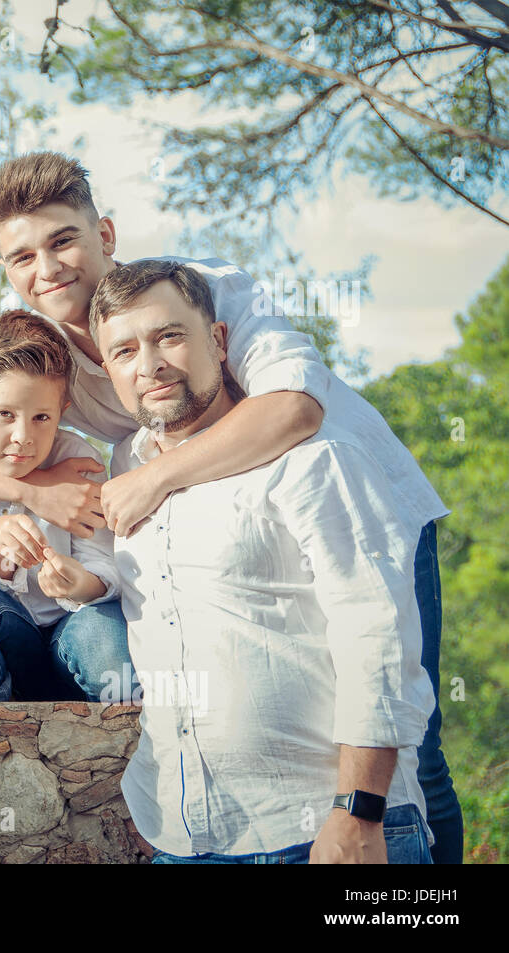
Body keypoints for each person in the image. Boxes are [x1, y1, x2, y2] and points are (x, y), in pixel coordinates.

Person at [0, 151, 462, 862]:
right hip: (216, 533)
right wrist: (34, 491)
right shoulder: (40, 350)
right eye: (22, 256)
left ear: (105, 234)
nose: (48, 268)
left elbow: (293, 408)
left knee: (410, 742)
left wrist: (152, 479)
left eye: (63, 240)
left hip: (354, 508)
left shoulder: (196, 292)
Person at [89, 258, 434, 863]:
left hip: (326, 832)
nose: (150, 364)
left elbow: (376, 632)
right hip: (183, 839)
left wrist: (357, 812)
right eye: (124, 351)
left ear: (219, 340)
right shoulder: (122, 470)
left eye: (169, 336)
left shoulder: (314, 458)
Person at [0, 312, 134, 703]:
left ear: (62, 411)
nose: (23, 436)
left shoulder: (77, 459)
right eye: (5, 415)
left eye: (41, 417)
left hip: (71, 630)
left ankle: (120, 725)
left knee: (106, 644)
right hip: (4, 642)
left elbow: (105, 565)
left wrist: (82, 583)